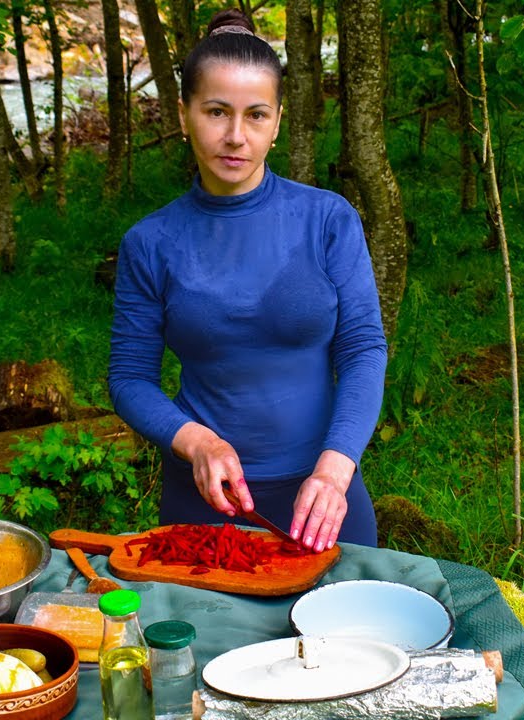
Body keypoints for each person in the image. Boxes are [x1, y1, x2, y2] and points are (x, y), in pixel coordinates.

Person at [108, 9, 387, 552]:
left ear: (278, 122)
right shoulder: (151, 241)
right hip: (207, 502)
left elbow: (363, 348)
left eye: (255, 115)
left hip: (324, 497)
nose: (235, 136)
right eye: (216, 112)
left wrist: (335, 470)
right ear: (184, 114)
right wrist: (197, 442)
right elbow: (130, 378)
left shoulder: (328, 219)